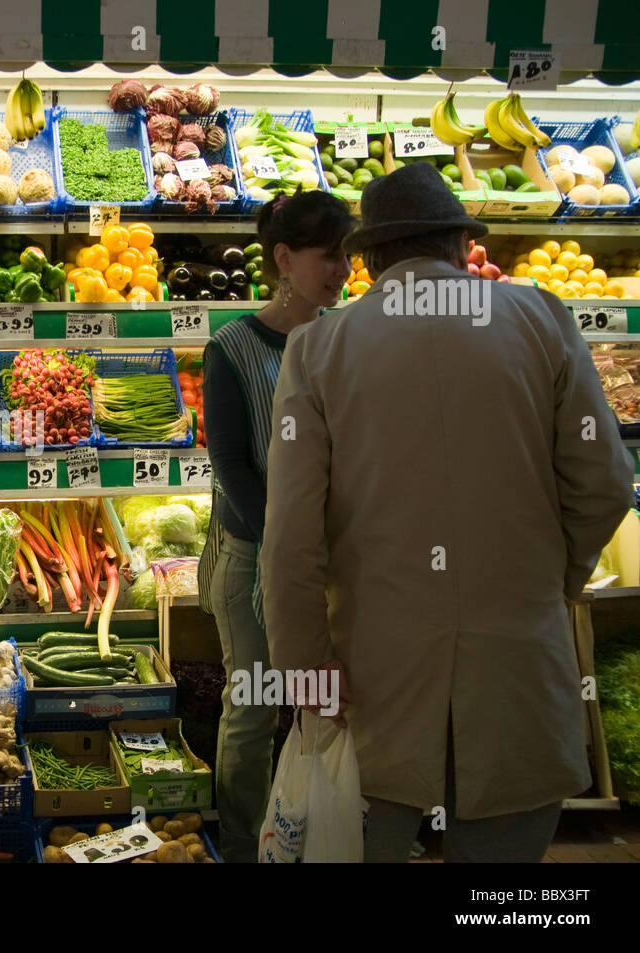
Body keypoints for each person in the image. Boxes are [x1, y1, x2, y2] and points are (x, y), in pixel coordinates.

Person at [259, 162, 635, 862]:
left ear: (368, 260)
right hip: (518, 667)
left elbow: (291, 540)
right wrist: (550, 577)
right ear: (463, 245)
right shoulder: (542, 318)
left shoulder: (318, 349)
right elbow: (608, 482)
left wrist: (305, 665)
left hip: (376, 688)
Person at [197, 189, 354, 863]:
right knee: (254, 711)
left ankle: (309, 839)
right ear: (285, 259)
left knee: (329, 708)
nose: (343, 269)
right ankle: (241, 847)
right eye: (330, 255)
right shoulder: (232, 346)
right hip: (250, 553)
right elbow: (230, 461)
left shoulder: (348, 337)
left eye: (349, 254)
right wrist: (286, 539)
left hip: (333, 560)